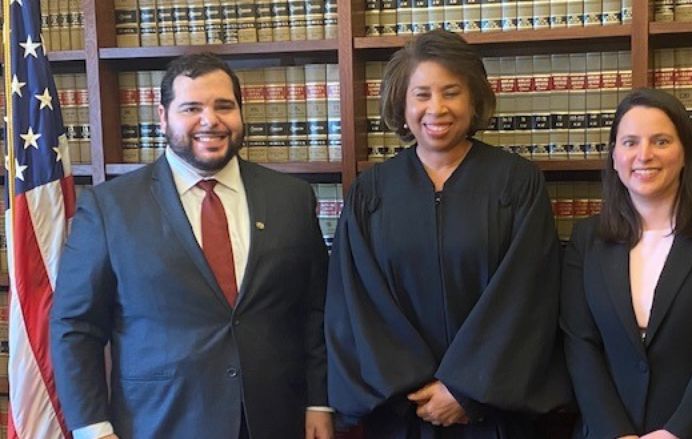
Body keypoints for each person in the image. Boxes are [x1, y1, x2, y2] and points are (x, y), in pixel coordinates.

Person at [50, 53, 333, 439]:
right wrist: (92, 429)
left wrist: (319, 401)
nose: (210, 120)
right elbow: (76, 325)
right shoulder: (109, 208)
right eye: (192, 108)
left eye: (224, 106)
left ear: (241, 114)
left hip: (275, 419)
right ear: (163, 117)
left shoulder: (291, 198)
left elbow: (316, 309)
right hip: (159, 422)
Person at [325, 29, 571, 438]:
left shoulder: (516, 184)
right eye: (421, 95)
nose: (436, 108)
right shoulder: (371, 193)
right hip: (403, 416)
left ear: (473, 100)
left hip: (492, 414)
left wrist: (465, 391)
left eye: (451, 93)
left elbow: (528, 297)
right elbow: (356, 303)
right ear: (402, 105)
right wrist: (414, 389)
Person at [560, 88, 692, 439]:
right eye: (630, 142)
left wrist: (677, 433)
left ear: (685, 151)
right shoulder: (587, 239)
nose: (644, 155)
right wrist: (615, 432)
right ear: (614, 155)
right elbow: (579, 342)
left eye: (660, 141)